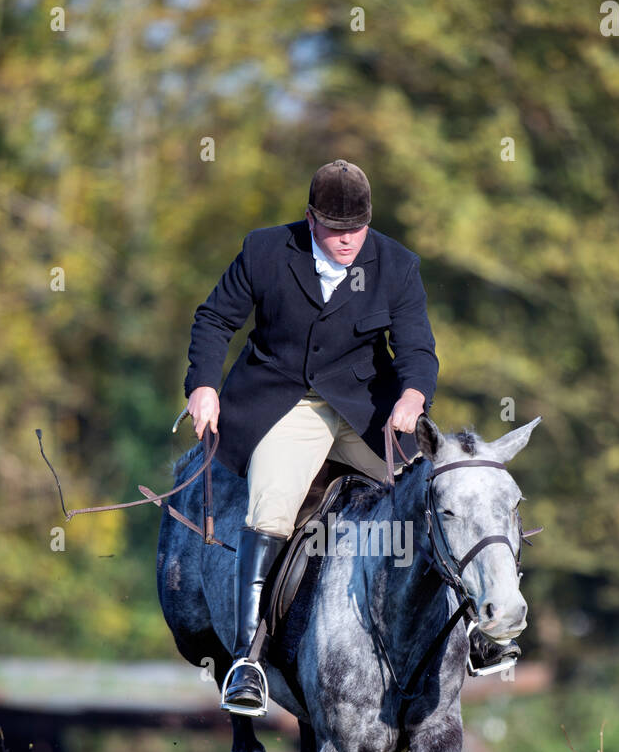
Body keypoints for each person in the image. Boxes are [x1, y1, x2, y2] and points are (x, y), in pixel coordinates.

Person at [184, 159, 507, 715]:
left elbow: (417, 349)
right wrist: (204, 387)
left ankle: (482, 629)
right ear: (311, 219)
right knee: (270, 509)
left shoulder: (397, 265)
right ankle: (247, 660)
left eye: (356, 230)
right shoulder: (264, 251)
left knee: (443, 497)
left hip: (366, 409)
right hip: (287, 403)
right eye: (335, 231)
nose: (347, 242)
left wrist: (412, 397)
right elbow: (214, 320)